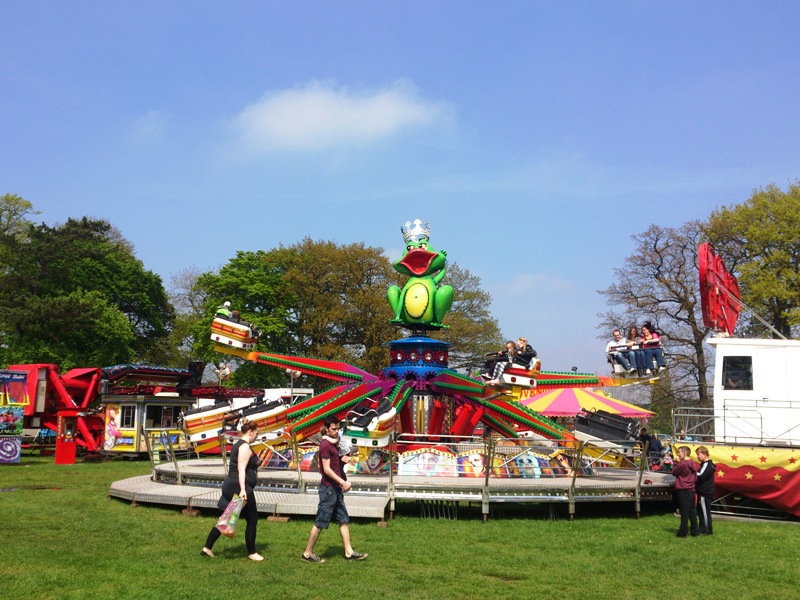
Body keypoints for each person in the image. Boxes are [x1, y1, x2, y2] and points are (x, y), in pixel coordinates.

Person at [301, 416, 368, 563]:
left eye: (338, 428)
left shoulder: (334, 443)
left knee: (343, 519)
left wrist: (342, 461)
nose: (336, 431)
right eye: (333, 429)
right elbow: (327, 469)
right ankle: (307, 553)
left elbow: (334, 464)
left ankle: (349, 552)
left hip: (335, 488)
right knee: (320, 521)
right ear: (326, 429)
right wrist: (343, 482)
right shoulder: (325, 445)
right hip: (328, 489)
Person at [201, 419, 264, 560]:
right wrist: (243, 490)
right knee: (252, 519)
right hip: (240, 487)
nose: (257, 436)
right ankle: (252, 553)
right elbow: (241, 469)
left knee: (226, 518)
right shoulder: (244, 447)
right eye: (256, 433)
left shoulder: (239, 444)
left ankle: (207, 548)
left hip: (233, 485)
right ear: (250, 432)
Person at [672, 445, 699, 537]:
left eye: (679, 452)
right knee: (692, 510)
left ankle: (683, 531)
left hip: (683, 488)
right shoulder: (692, 463)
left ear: (684, 453)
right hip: (691, 489)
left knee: (684, 511)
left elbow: (674, 472)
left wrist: (676, 462)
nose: (678, 454)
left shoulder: (683, 464)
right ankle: (694, 530)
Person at [696, 446, 715, 535]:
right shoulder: (704, 464)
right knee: (700, 511)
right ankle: (702, 527)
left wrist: (691, 473)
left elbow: (701, 475)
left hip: (705, 492)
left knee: (705, 512)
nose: (697, 456)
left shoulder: (707, 464)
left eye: (698, 454)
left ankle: (707, 529)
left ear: (704, 454)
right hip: (703, 491)